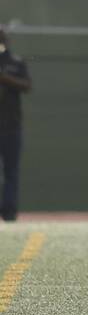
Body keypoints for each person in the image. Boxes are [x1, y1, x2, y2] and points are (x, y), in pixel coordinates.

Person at [0, 27, 32, 222]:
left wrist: (5, 79)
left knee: (11, 171)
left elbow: (27, 85)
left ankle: (9, 212)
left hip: (12, 126)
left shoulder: (16, 62)